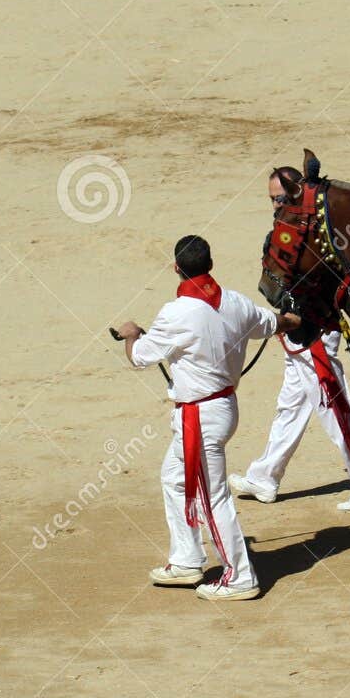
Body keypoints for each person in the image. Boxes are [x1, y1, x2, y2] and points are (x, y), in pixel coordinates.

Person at [114, 235, 281, 601]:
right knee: (174, 479)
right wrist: (291, 318)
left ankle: (239, 578)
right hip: (221, 410)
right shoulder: (237, 303)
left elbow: (140, 356)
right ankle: (187, 559)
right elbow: (272, 323)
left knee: (213, 497)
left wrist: (131, 335)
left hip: (198, 419)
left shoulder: (175, 313)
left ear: (177, 268)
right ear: (210, 264)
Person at [228, 167, 350, 514]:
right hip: (297, 336)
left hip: (315, 334)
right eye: (271, 200)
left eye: (280, 199)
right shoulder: (292, 232)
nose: (275, 206)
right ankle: (265, 477)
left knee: (337, 411)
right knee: (291, 406)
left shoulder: (313, 235)